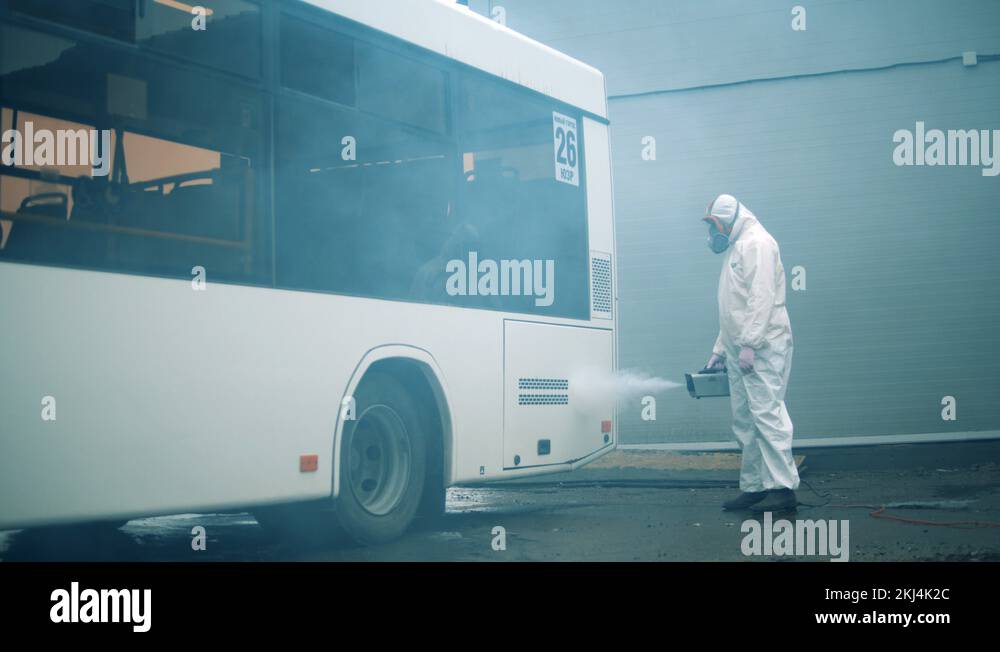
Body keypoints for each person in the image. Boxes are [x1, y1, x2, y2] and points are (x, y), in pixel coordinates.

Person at [702, 194, 799, 512]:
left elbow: (762, 298)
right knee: (745, 420)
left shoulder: (757, 243)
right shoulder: (738, 246)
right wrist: (720, 348)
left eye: (714, 225)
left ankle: (782, 489)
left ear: (728, 220)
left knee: (767, 415)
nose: (712, 232)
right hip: (741, 348)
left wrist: (750, 344)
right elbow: (735, 306)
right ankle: (755, 487)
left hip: (761, 347)